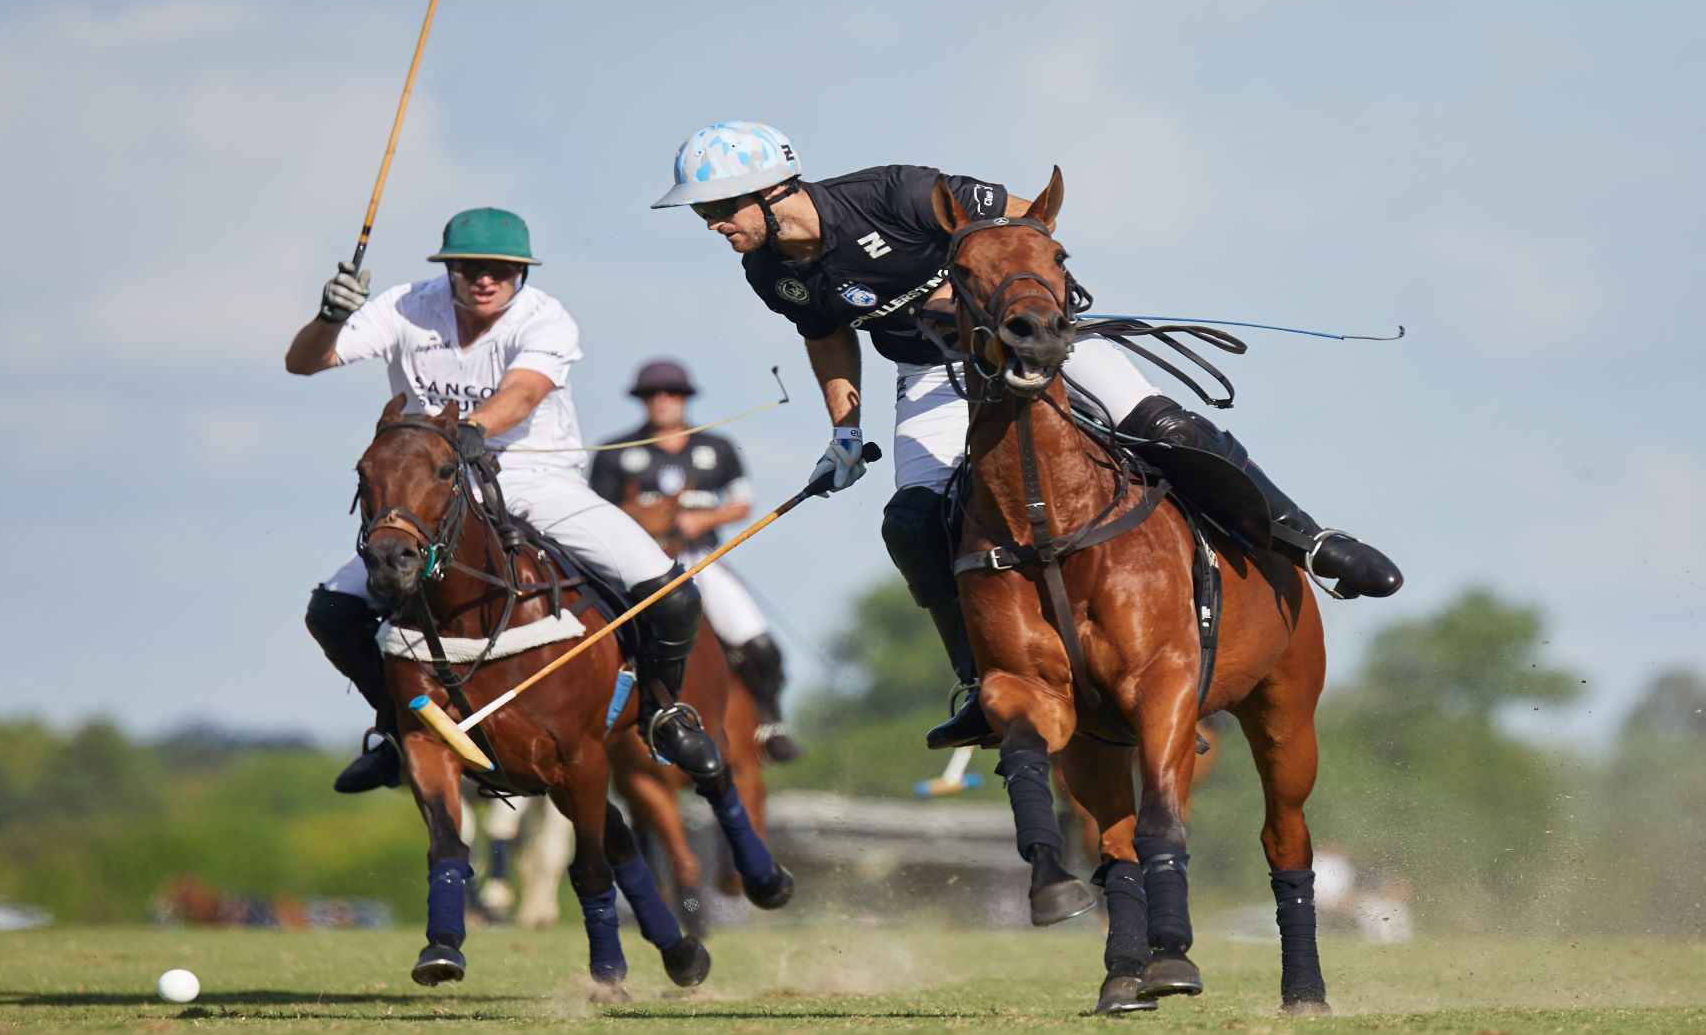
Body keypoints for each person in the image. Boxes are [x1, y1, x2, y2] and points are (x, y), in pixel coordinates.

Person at [650, 122, 1402, 750]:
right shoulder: (768, 270)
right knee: (910, 522)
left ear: (771, 190)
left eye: (719, 207)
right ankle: (982, 682)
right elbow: (827, 336)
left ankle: (1309, 541)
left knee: (1161, 424)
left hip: (1028, 340)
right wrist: (844, 432)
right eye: (703, 213)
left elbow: (1027, 225)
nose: (713, 225)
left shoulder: (895, 194)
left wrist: (1005, 304)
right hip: (931, 375)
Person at [286, 207, 724, 792]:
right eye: (471, 268)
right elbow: (303, 362)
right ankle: (394, 729)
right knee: (332, 612)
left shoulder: (545, 318)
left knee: (669, 592)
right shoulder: (405, 306)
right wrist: (329, 317)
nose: (486, 280)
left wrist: (474, 428)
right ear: (449, 269)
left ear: (523, 272)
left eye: (503, 269)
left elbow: (523, 392)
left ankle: (663, 714)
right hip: (432, 490)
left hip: (536, 480)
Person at [588, 358, 803, 763]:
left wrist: (705, 518)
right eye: (652, 394)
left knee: (760, 645)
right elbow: (594, 512)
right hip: (634, 562)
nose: (662, 400)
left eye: (672, 393)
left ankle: (770, 723)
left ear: (685, 398)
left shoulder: (716, 449)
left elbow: (741, 502)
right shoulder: (615, 452)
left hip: (699, 558)